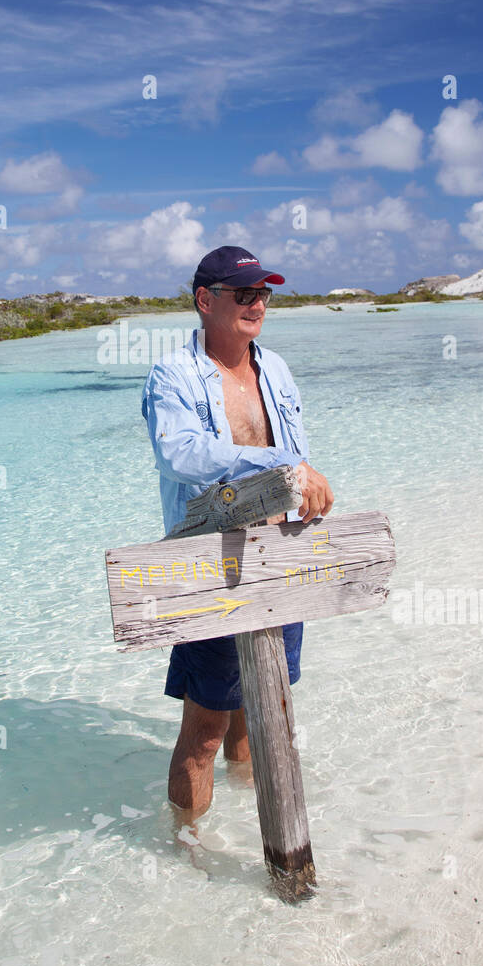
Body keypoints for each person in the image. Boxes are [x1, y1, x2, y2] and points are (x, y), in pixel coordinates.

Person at [141, 245, 334, 819]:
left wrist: (302, 490)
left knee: (265, 705)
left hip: (281, 556)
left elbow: (296, 454)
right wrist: (281, 464)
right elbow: (181, 454)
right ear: (205, 300)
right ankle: (186, 846)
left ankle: (262, 818)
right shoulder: (171, 373)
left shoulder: (275, 368)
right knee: (205, 726)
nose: (258, 303)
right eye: (243, 293)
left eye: (264, 293)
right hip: (213, 558)